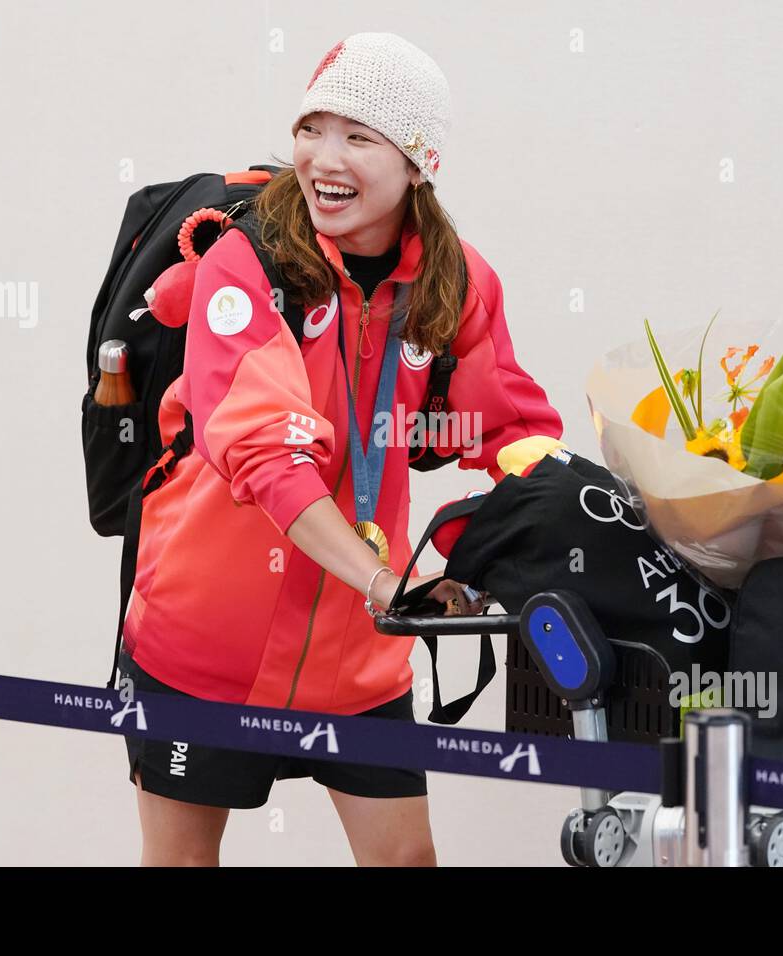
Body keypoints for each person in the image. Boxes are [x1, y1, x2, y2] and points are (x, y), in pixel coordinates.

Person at [119, 32, 563, 866]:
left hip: (360, 656)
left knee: (406, 861)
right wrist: (385, 581)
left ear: (418, 165)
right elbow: (268, 459)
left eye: (359, 137)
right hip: (205, 640)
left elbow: (509, 433)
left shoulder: (458, 282)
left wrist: (513, 551)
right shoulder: (246, 267)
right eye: (312, 128)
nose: (326, 157)